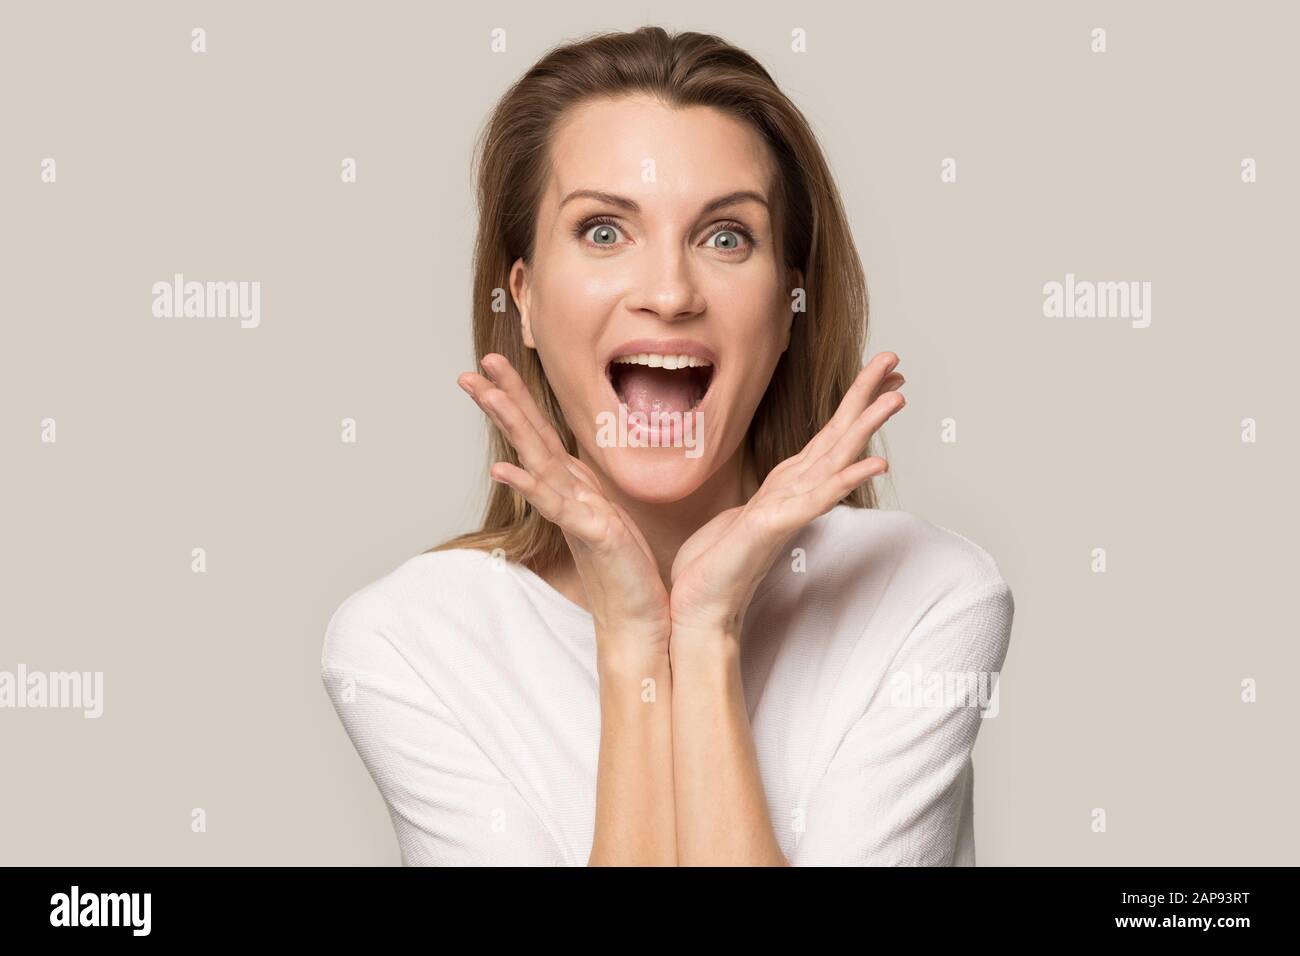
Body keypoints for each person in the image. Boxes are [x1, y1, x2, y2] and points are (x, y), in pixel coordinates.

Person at [321, 25, 1013, 866]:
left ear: (791, 301)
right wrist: (633, 644)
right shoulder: (409, 642)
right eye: (605, 231)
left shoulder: (923, 599)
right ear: (525, 299)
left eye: (726, 237)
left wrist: (708, 630)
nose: (670, 292)